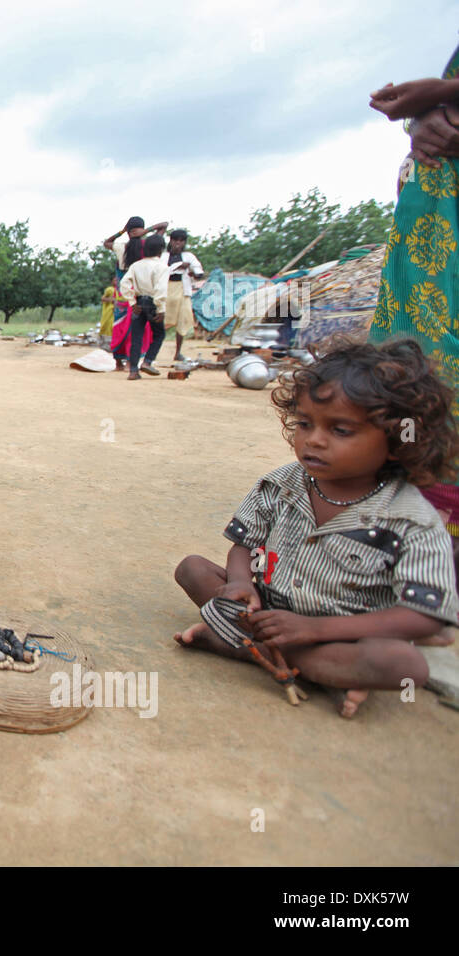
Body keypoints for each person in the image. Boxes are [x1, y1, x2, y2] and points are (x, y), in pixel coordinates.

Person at [173, 340, 459, 718]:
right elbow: (244, 543)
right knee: (192, 568)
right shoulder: (282, 483)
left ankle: (243, 645)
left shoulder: (411, 519)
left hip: (342, 633)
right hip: (267, 609)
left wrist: (313, 630)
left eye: (340, 430)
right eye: (304, 424)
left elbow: (422, 616)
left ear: (395, 440)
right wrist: (241, 583)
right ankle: (313, 668)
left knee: (403, 664)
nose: (314, 440)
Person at [368, 43, 459, 552]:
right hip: (436, 223)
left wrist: (442, 94)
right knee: (422, 370)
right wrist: (434, 112)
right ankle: (421, 538)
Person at [119, 234, 169, 379]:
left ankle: (133, 371)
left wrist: (132, 302)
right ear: (161, 250)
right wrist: (161, 308)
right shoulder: (161, 267)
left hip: (139, 303)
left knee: (137, 338)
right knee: (159, 334)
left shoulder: (136, 265)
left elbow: (124, 284)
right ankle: (147, 362)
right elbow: (160, 289)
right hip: (153, 303)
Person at [161, 229, 204, 361]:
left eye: (181, 241)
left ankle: (178, 352)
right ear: (171, 241)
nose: (178, 243)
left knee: (182, 321)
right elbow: (160, 272)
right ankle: (150, 352)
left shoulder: (189, 256)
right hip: (166, 290)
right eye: (176, 240)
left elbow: (199, 273)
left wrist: (192, 272)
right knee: (160, 321)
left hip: (182, 291)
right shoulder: (163, 256)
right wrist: (176, 266)